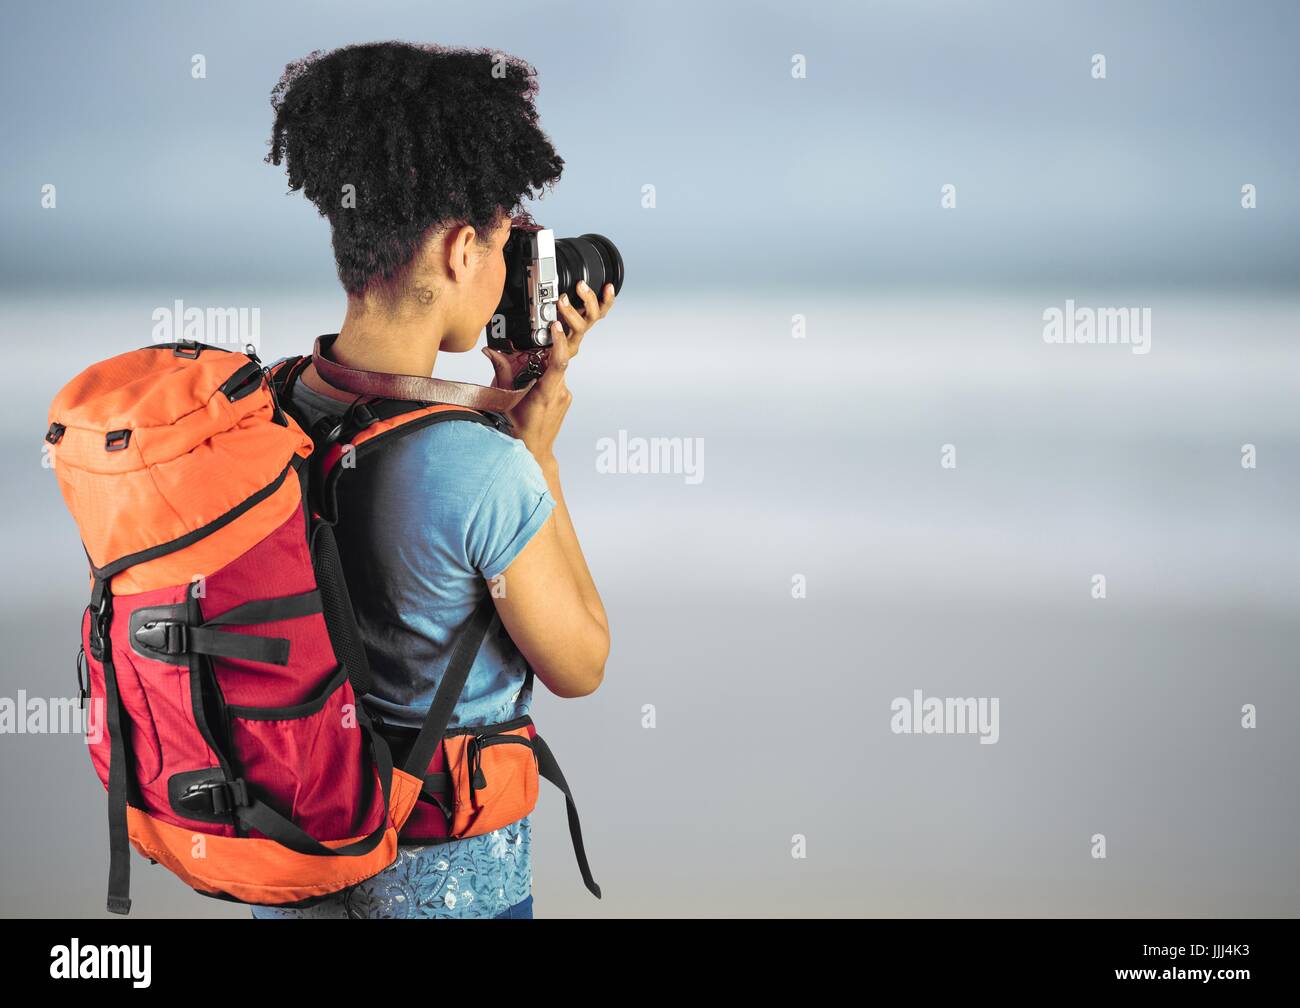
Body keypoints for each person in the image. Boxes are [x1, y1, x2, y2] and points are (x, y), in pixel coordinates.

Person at [252, 41, 614, 919]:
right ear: (459, 251)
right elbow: (582, 660)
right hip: (451, 896)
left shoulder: (265, 408)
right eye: (499, 243)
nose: (501, 269)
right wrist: (538, 453)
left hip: (288, 876)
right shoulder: (483, 466)